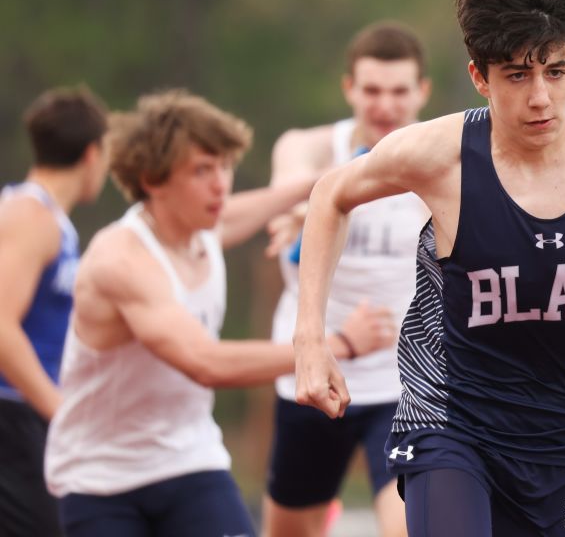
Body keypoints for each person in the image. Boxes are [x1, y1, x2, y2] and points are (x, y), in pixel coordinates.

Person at [292, 0, 565, 536]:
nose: (540, 98)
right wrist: (310, 340)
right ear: (479, 76)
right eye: (517, 74)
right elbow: (331, 194)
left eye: (556, 72)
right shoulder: (441, 154)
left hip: (561, 436)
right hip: (452, 420)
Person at [43, 90, 394, 537]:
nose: (220, 185)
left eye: (225, 166)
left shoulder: (203, 224)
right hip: (101, 478)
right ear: (153, 180)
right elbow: (205, 363)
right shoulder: (120, 260)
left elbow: (302, 190)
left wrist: (367, 163)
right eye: (202, 171)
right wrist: (338, 345)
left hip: (188, 461)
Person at [263, 22, 432, 537]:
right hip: (314, 373)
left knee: (407, 527)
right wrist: (301, 209)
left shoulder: (439, 161)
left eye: (399, 91)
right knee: (291, 530)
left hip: (402, 383)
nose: (385, 105)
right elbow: (291, 186)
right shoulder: (311, 148)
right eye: (372, 91)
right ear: (349, 90)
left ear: (421, 92)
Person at [0, 87, 108, 536]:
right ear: (92, 154)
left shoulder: (51, 221)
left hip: (29, 415)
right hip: (15, 414)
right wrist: (60, 410)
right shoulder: (29, 216)